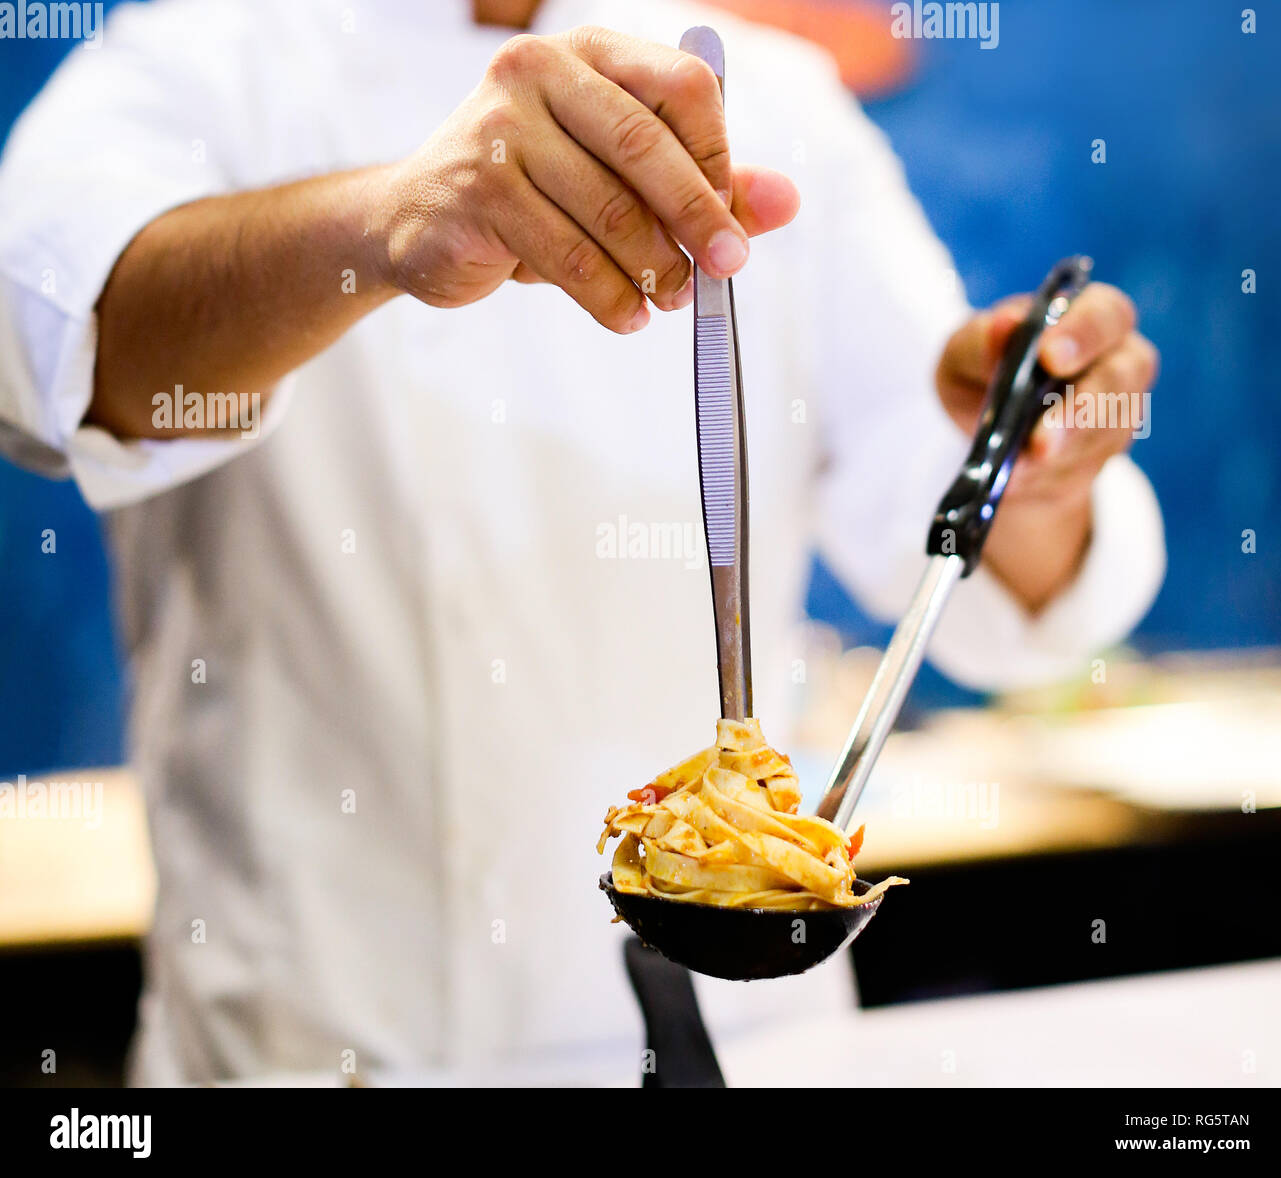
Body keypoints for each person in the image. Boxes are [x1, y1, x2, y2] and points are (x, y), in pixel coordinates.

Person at [0, 0, 1162, 1085]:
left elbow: (965, 546)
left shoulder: (778, 103)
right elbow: (58, 349)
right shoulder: (188, 61)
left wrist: (1039, 463)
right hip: (316, 1049)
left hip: (742, 1038)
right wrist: (380, 221)